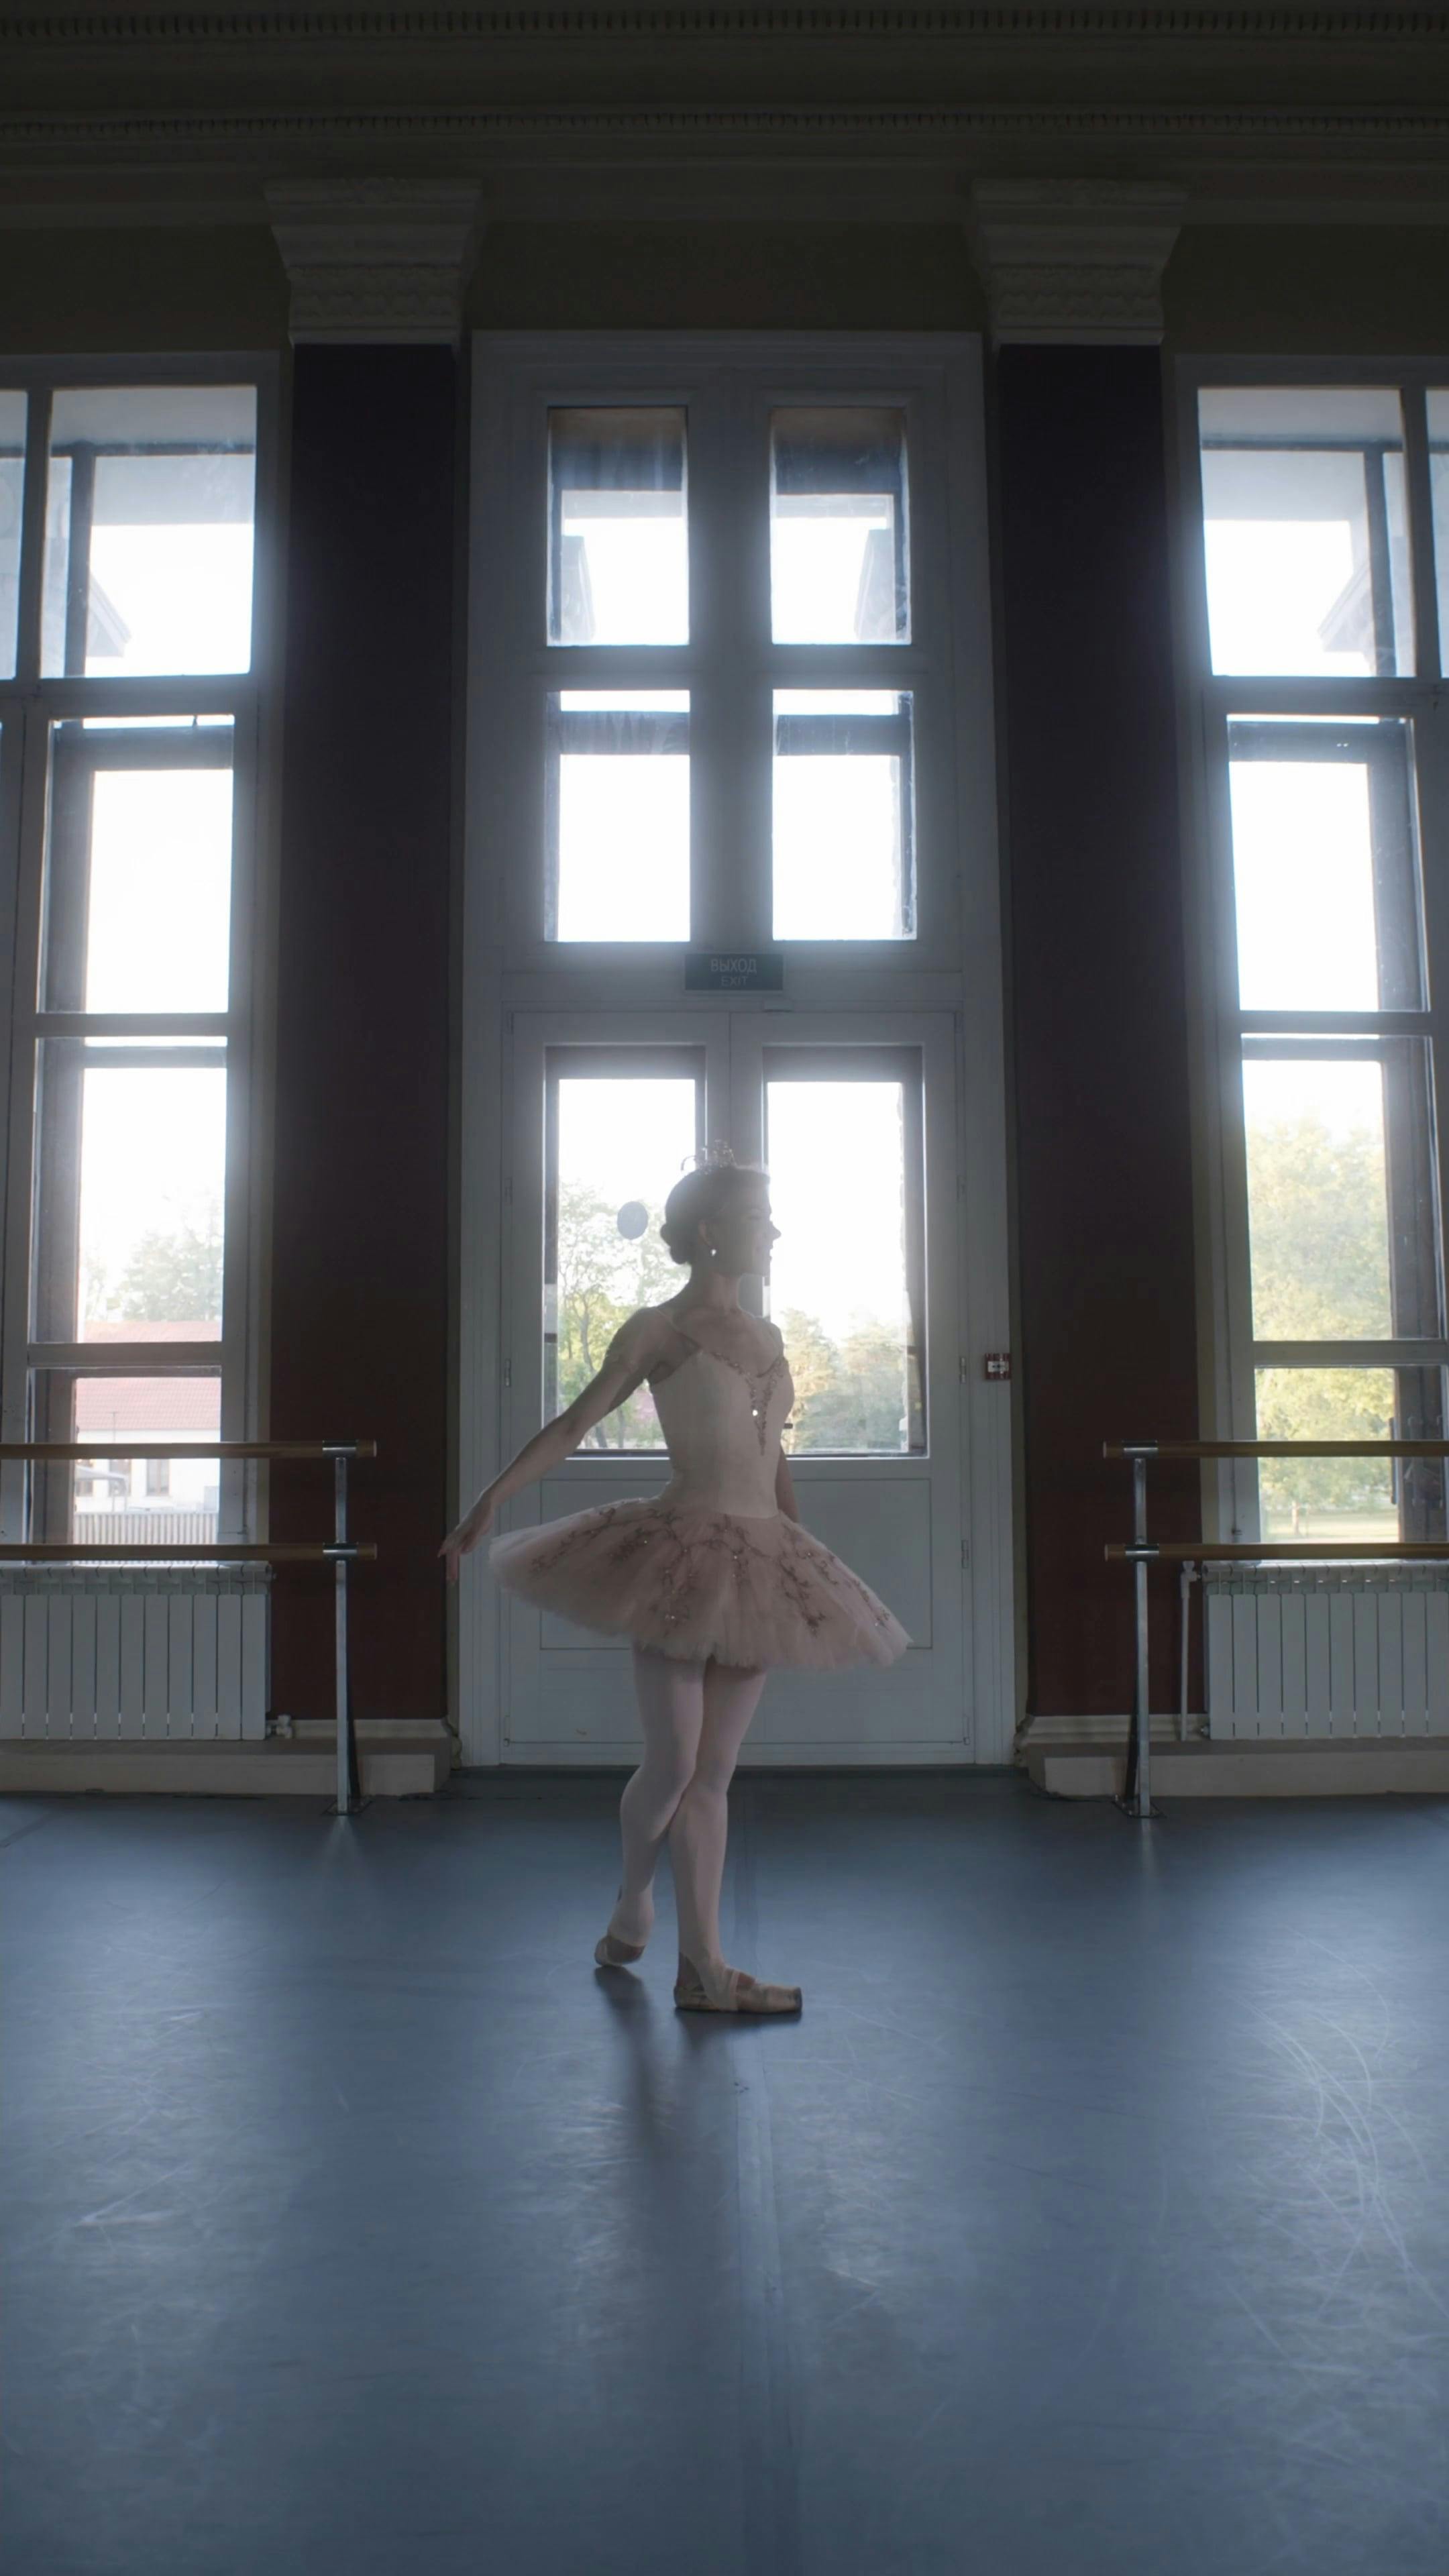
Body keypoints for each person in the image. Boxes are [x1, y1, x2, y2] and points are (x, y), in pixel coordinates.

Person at [439, 1144, 910, 2016]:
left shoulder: (770, 1340)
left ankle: (704, 1969)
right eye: (757, 1219)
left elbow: (772, 1463)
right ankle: (632, 1899)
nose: (774, 1232)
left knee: (714, 1772)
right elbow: (576, 1422)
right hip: (679, 1555)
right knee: (672, 1762)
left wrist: (803, 1568)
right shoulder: (656, 1330)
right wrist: (489, 1502)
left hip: (761, 1562)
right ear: (709, 1233)